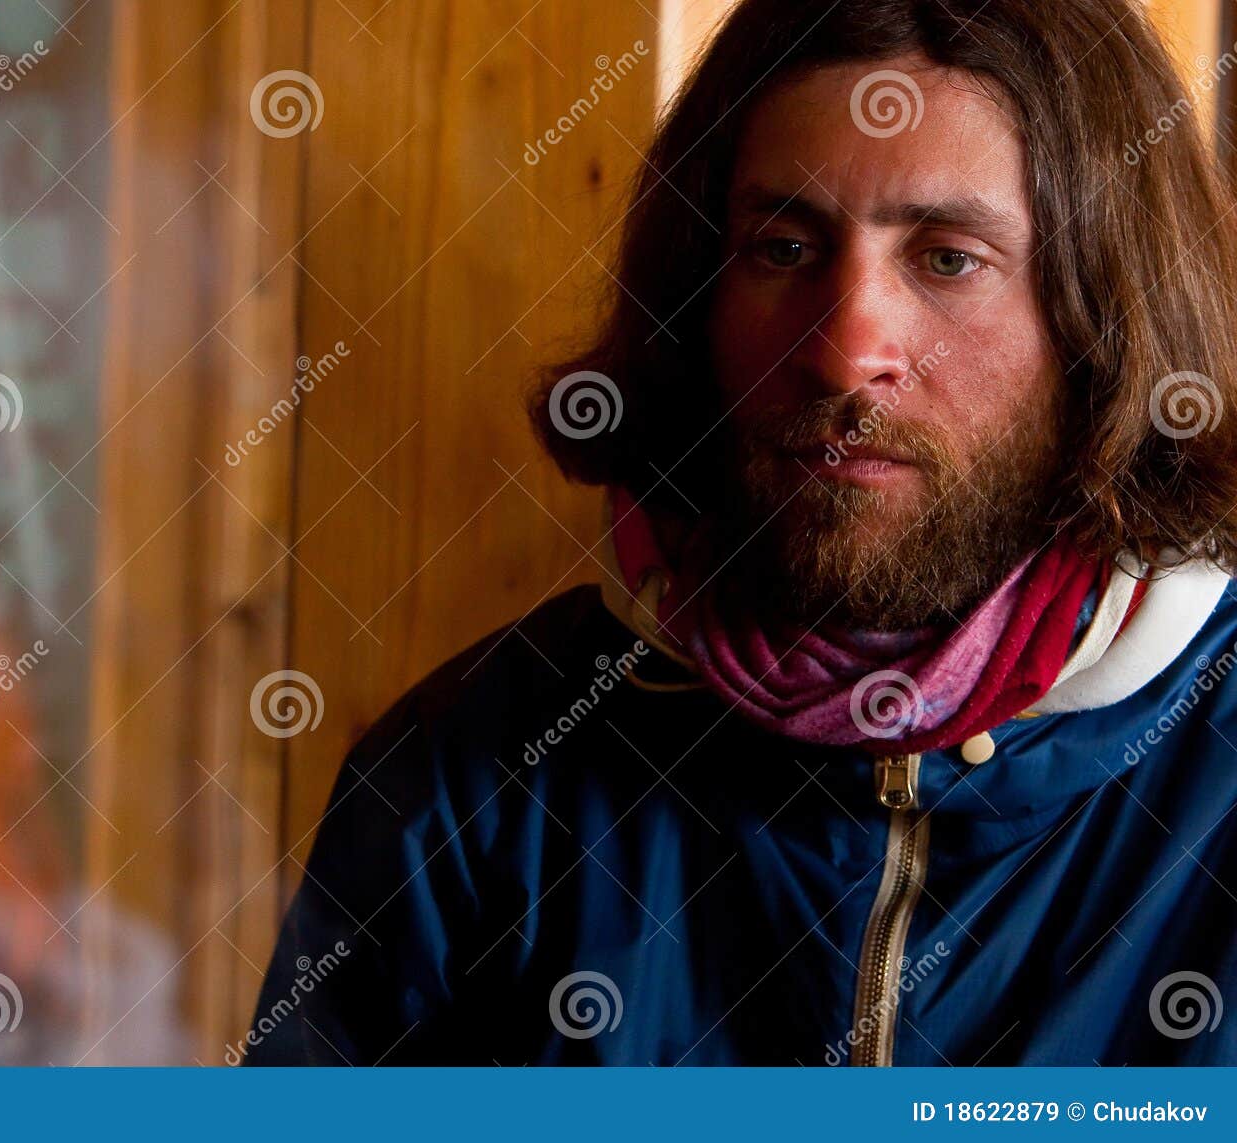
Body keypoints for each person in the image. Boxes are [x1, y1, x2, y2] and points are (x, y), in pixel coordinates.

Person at [246, 0, 1237, 1065]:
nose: (848, 346)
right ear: (697, 295)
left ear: (1107, 319)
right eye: (784, 245)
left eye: (947, 258)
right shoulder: (472, 777)